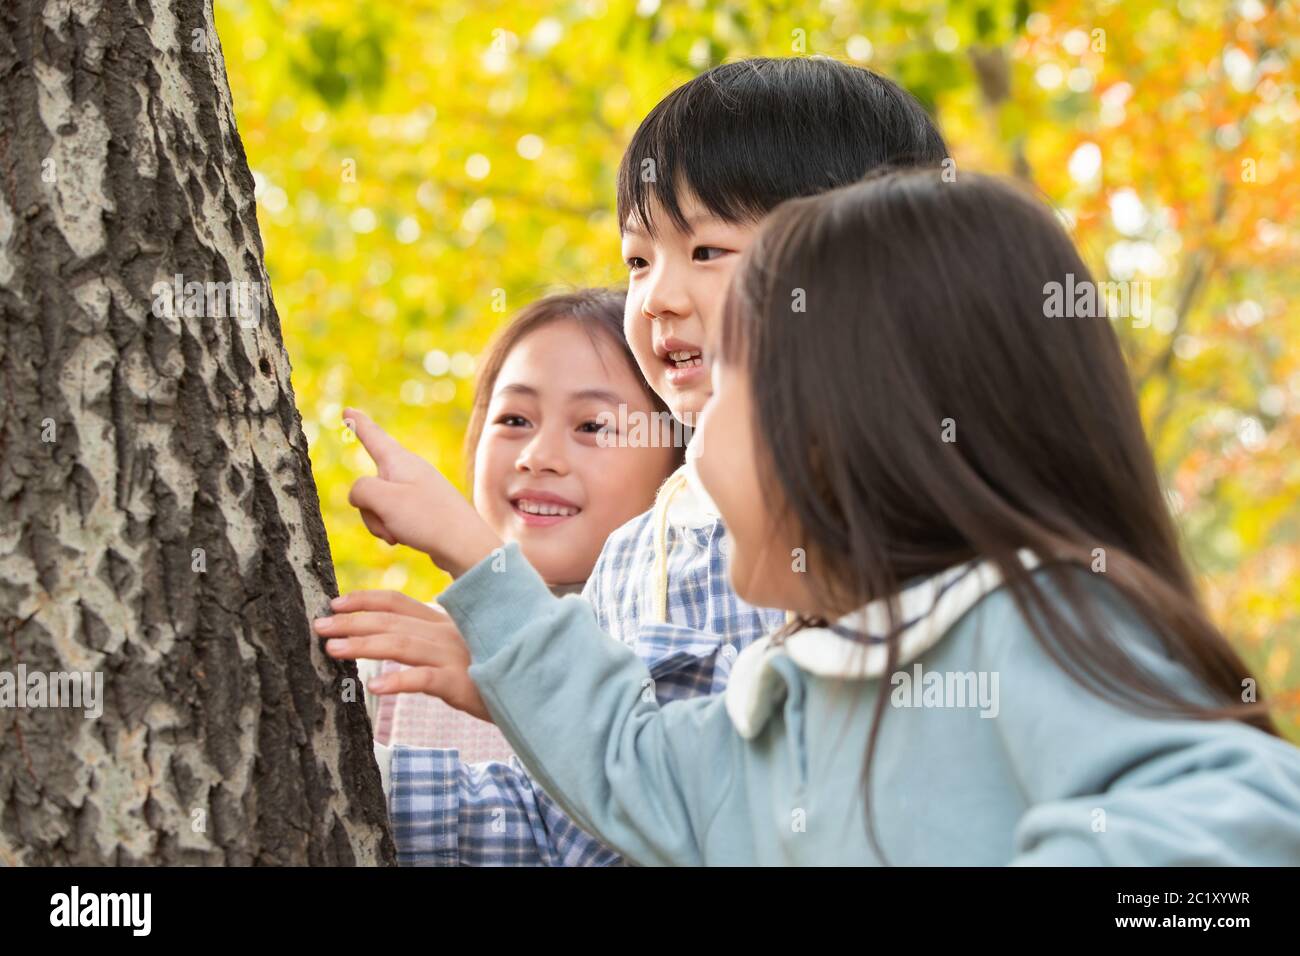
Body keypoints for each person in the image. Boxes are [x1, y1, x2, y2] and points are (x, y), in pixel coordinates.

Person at [334, 169, 1300, 864]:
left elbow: (1236, 830)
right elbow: (625, 763)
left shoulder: (1024, 622)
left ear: (847, 436)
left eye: (732, 393)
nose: (695, 443)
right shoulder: (786, 697)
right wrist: (491, 588)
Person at [323, 56, 947, 865]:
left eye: (709, 251)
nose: (656, 298)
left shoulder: (896, 526)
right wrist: (331, 777)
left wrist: (487, 589)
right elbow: (576, 828)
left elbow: (718, 786)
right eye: (639, 260)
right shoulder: (631, 557)